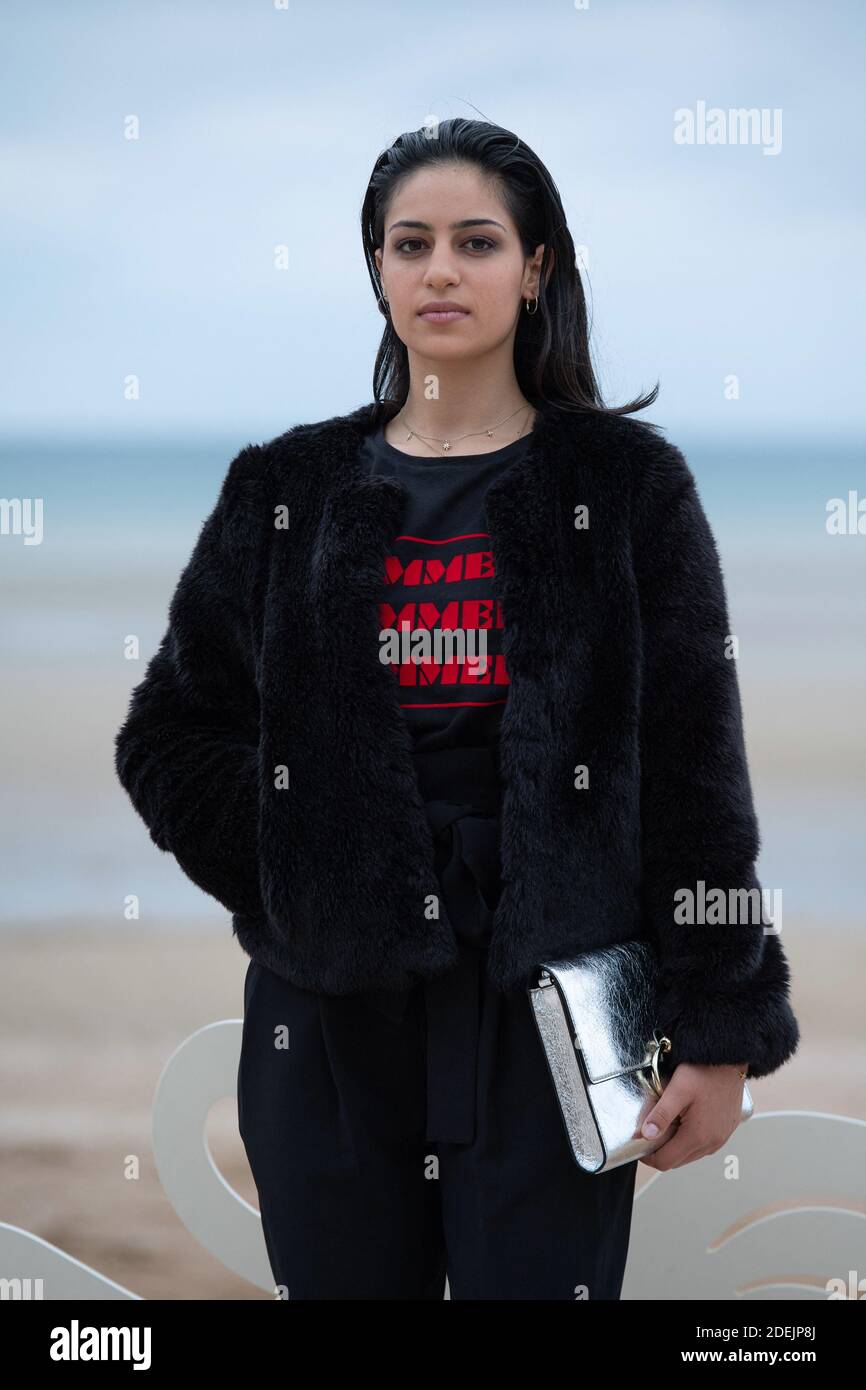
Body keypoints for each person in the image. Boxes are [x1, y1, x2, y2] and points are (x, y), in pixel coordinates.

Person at [115, 118, 800, 1300]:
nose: (440, 270)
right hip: (329, 1010)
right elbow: (169, 735)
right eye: (409, 242)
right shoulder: (285, 489)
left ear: (534, 267)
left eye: (476, 242)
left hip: (547, 1011)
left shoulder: (626, 486)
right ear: (375, 267)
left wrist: (721, 1021)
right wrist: (306, 863)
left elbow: (696, 773)